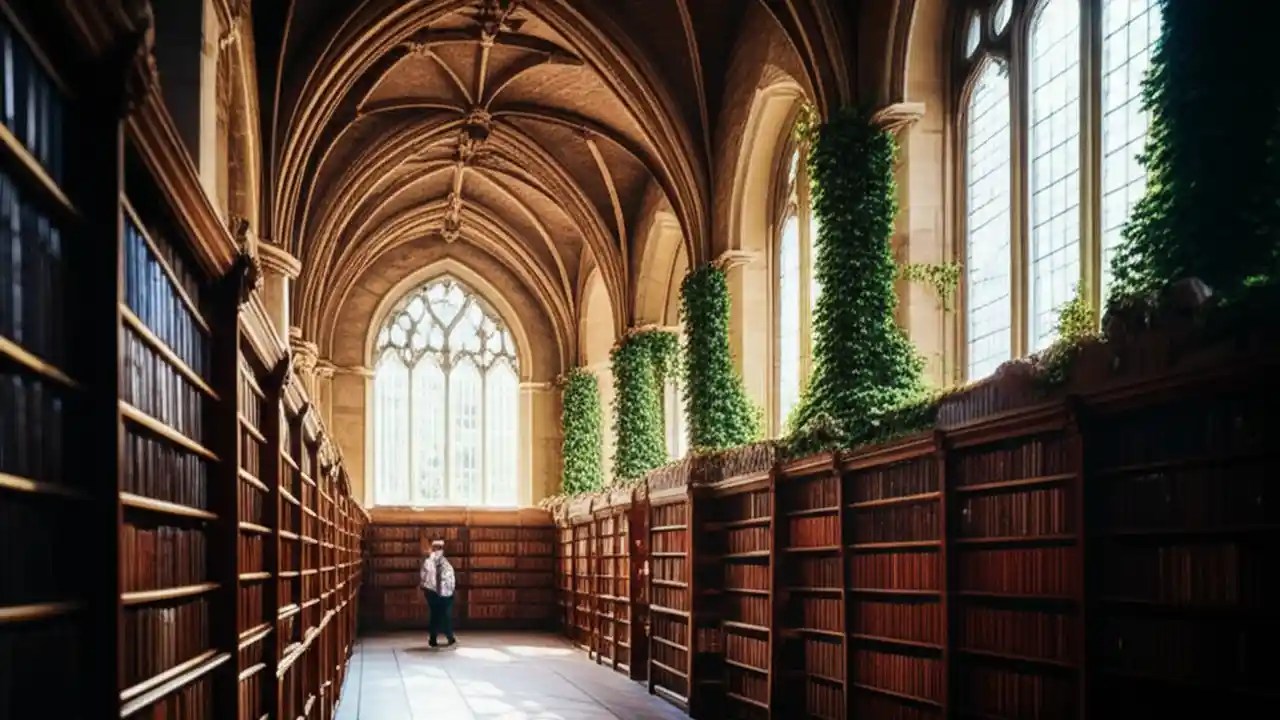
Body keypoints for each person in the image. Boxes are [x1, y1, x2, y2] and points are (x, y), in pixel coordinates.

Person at [420, 539, 457, 648]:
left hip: (432, 592)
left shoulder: (428, 561)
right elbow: (446, 577)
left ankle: (434, 639)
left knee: (435, 615)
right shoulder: (440, 561)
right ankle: (449, 638)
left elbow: (424, 577)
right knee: (445, 615)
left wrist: (425, 588)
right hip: (442, 593)